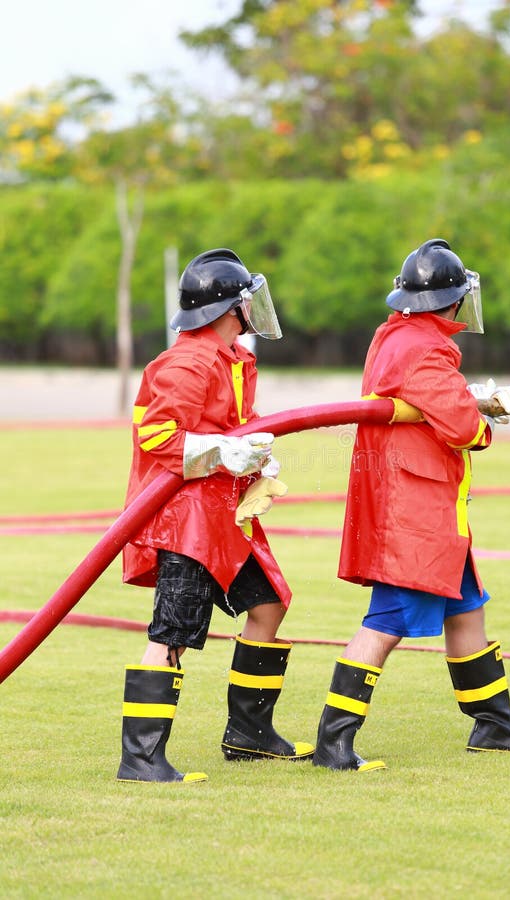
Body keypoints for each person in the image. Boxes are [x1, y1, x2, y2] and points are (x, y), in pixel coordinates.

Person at [312, 238, 510, 772]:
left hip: (427, 509)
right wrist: (489, 416)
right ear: (450, 300)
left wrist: (476, 396)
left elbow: (434, 401)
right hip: (415, 514)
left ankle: (494, 727)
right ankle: (334, 743)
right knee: (386, 623)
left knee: (467, 611)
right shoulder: (427, 348)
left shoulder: (398, 336)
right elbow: (460, 425)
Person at [117, 248, 314, 783]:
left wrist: (252, 455)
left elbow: (234, 425)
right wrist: (220, 452)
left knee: (269, 605)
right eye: (247, 300)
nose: (254, 308)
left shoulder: (231, 359)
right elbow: (157, 437)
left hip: (223, 514)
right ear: (230, 307)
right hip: (186, 518)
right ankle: (141, 758)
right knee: (171, 633)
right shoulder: (188, 362)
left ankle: (249, 737)